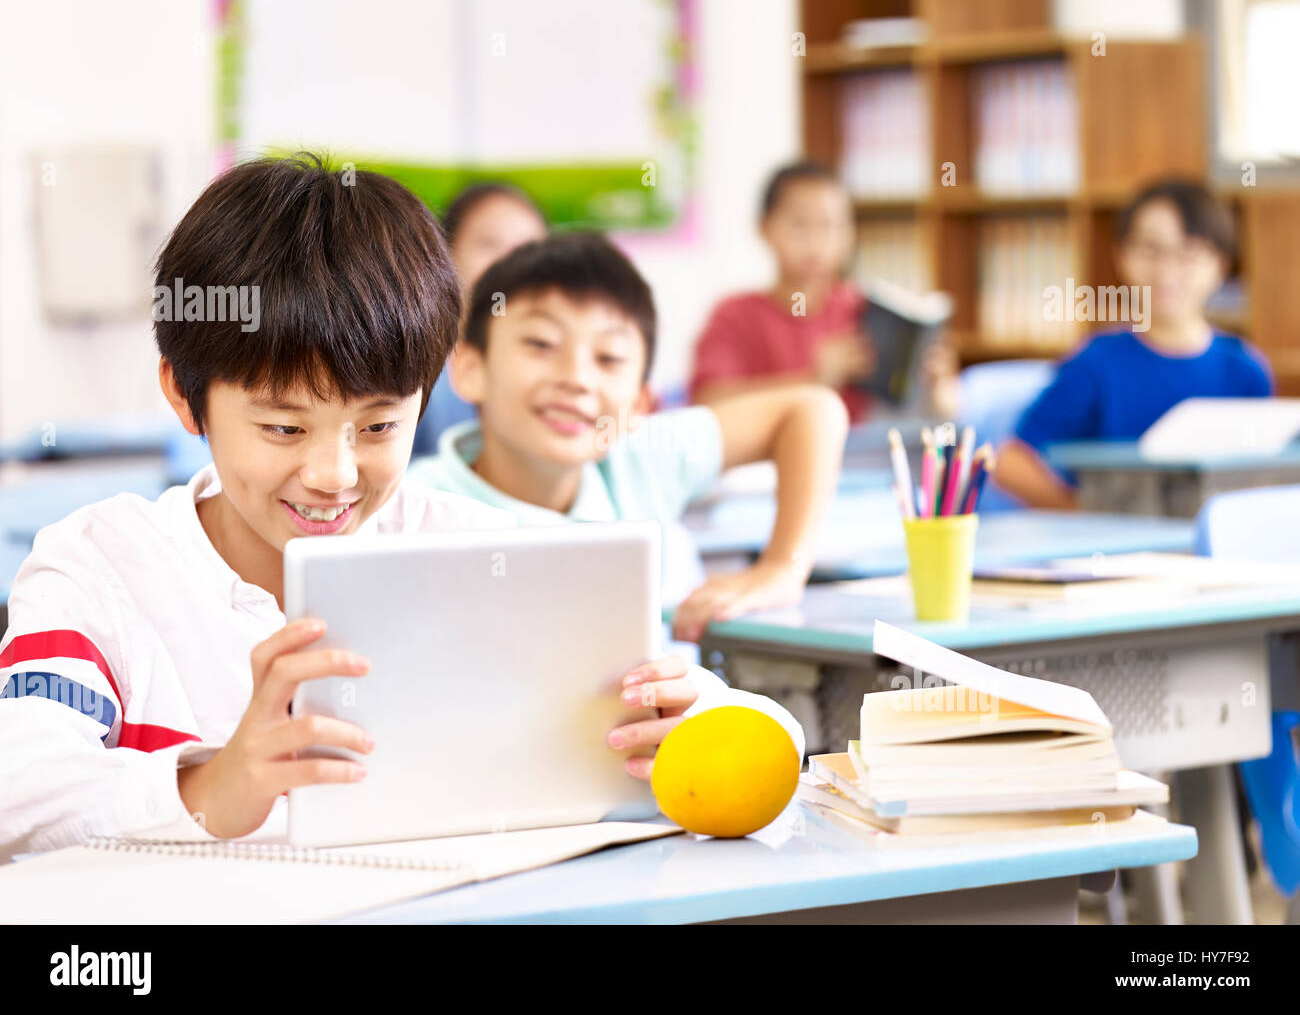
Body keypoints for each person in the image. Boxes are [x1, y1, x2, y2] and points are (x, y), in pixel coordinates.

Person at [0, 155, 802, 858]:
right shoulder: (99, 566)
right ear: (185, 394)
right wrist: (215, 785)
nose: (334, 472)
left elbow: (753, 729)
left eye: (379, 424)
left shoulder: (487, 555)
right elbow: (18, 788)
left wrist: (699, 719)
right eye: (284, 426)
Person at [408, 231, 849, 642]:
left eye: (609, 357)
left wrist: (782, 568)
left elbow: (814, 409)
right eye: (541, 344)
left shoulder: (639, 459)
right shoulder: (412, 510)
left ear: (639, 405)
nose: (577, 378)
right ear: (470, 369)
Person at [994, 179, 1274, 509]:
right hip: (1110, 549)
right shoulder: (1096, 363)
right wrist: (1083, 514)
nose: (1167, 270)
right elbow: (1010, 462)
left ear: (1221, 264)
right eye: (1150, 250)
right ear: (1122, 256)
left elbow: (1262, 479)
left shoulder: (1246, 372)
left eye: (1188, 252)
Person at [689, 159, 958, 423]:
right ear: (765, 229)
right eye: (800, 224)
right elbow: (709, 403)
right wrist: (815, 379)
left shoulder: (864, 310)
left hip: (861, 455)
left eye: (831, 225)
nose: (817, 242)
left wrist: (938, 390)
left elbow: (940, 413)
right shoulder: (736, 315)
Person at [412, 182, 548, 454]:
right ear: (445, 253)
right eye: (489, 243)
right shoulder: (416, 367)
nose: (511, 261)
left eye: (529, 249)